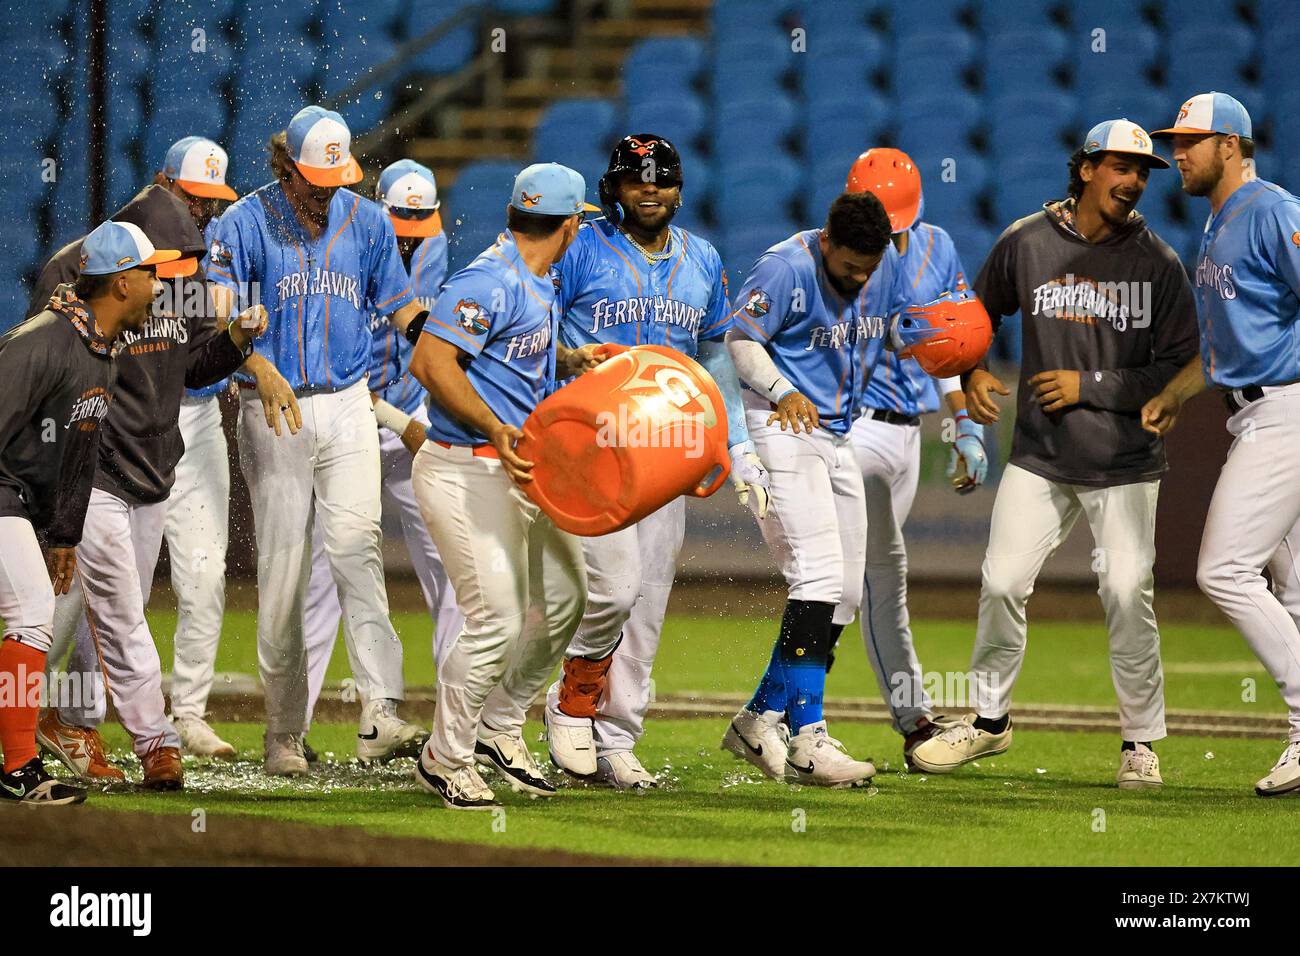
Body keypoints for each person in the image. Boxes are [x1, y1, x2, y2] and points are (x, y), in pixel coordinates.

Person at [910, 120, 1199, 789]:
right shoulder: (1027, 241)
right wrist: (975, 371)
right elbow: (970, 320)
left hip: (1125, 460)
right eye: (1122, 168)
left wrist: (1091, 385)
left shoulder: (1157, 260)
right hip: (1040, 455)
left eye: (1143, 172)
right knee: (1003, 583)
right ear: (1088, 168)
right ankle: (988, 724)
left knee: (1127, 593)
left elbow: (1185, 364)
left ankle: (1139, 743)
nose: (1133, 182)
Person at [206, 105, 430, 775]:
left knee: (358, 549)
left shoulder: (365, 221)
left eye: (337, 175)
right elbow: (216, 307)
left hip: (349, 402)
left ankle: (381, 711)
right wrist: (251, 358)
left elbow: (400, 305)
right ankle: (282, 732)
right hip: (273, 409)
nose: (327, 187)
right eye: (314, 177)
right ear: (286, 166)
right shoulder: (244, 220)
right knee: (282, 574)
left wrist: (448, 346)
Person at [542, 134, 769, 789]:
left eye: (662, 180)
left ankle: (615, 738)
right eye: (635, 180)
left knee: (645, 602)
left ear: (679, 188)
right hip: (588, 448)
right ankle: (562, 708)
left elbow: (716, 353)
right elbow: (540, 332)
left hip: (668, 452)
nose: (650, 191)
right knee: (593, 594)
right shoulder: (578, 247)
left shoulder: (702, 257)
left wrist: (739, 445)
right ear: (611, 187)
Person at [31, 187, 266, 791]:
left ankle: (65, 717)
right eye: (163, 267)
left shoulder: (176, 281)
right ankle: (156, 742)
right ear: (127, 272)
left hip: (155, 470)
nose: (174, 278)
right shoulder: (75, 282)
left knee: (98, 612)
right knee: (118, 610)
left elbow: (189, 368)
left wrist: (236, 343)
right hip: (99, 472)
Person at [408, 163, 603, 809]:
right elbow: (431, 361)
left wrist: (571, 361)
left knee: (566, 601)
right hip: (464, 467)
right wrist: (493, 425)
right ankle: (444, 757)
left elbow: (510, 359)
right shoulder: (489, 279)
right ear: (570, 225)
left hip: (519, 470)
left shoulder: (535, 281)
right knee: (494, 620)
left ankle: (497, 726)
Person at [721, 191, 914, 788]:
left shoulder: (884, 266)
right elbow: (741, 342)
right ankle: (807, 739)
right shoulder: (786, 267)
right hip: (779, 423)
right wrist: (782, 389)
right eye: (851, 266)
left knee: (846, 597)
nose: (861, 278)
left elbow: (900, 331)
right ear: (827, 240)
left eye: (870, 267)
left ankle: (758, 718)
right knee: (819, 579)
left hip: (835, 434)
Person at [1141, 93, 1300, 796]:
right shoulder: (1219, 221)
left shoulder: (1269, 209)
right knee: (1292, 590)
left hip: (1286, 410)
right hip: (1256, 409)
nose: (1178, 153)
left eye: (1191, 142)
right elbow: (1226, 344)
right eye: (1175, 141)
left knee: (1225, 570)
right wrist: (1174, 395)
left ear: (1231, 145)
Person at [301, 159, 461, 754]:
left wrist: (418, 415)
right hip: (348, 416)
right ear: (376, 205)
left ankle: (456, 727)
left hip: (410, 416)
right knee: (323, 574)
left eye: (422, 222)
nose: (412, 233)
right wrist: (397, 419)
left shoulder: (435, 246)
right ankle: (292, 728)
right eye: (403, 220)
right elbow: (332, 354)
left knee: (452, 569)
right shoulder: (338, 243)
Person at [0, 221, 162, 804]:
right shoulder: (42, 340)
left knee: (31, 611)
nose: (158, 286)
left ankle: (17, 766)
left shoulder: (99, 349)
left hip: (15, 501)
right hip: (1, 493)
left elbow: (79, 453)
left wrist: (64, 535)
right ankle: (17, 767)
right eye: (150, 274)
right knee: (32, 610)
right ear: (121, 283)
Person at [842, 148, 987, 768]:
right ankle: (907, 721)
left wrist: (961, 426)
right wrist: (879, 331)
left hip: (908, 432)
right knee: (865, 582)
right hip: (858, 430)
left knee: (866, 589)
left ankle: (784, 713)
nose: (892, 234)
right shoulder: (839, 255)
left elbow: (949, 348)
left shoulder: (939, 247)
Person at [153, 136, 243, 759]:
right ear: (165, 182)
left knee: (207, 576)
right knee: (94, 582)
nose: (203, 211)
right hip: (128, 426)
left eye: (212, 201)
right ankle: (61, 711)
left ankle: (186, 711)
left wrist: (237, 340)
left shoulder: (210, 260)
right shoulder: (122, 247)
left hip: (199, 420)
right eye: (194, 196)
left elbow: (198, 370)